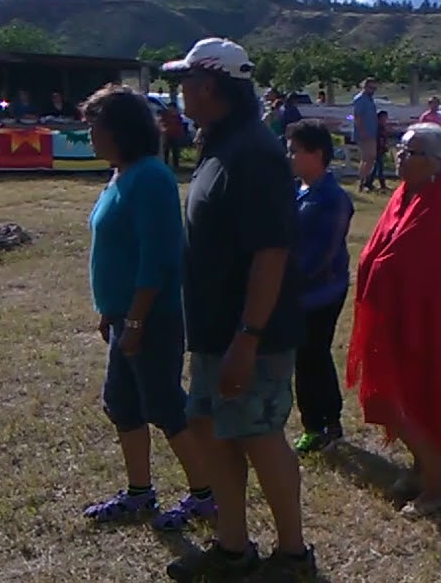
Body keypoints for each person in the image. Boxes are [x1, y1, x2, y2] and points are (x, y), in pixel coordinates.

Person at [160, 38, 316, 580]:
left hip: (251, 333)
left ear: (208, 85)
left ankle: (293, 556)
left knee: (258, 433)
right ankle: (233, 548)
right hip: (214, 328)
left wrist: (248, 338)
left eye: (184, 82)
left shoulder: (254, 153)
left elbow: (271, 252)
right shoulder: (220, 143)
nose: (180, 93)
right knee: (210, 429)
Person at [80, 85, 215, 532]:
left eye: (95, 127)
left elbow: (157, 259)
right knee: (122, 404)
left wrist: (136, 320)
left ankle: (206, 496)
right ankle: (140, 492)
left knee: (165, 405)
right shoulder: (121, 175)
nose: (90, 136)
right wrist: (111, 312)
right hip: (125, 316)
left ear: (120, 130)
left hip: (152, 316)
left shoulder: (151, 178)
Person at [347, 123, 441, 517]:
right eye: (400, 148)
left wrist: (377, 270)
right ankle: (420, 468)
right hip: (399, 315)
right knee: (399, 398)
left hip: (428, 323)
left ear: (434, 163)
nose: (399, 156)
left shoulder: (440, 206)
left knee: (409, 403)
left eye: (410, 152)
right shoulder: (406, 194)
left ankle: (435, 486)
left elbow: (407, 263)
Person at [286, 120, 354, 454]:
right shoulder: (295, 190)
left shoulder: (332, 198)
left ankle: (320, 424)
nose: (290, 157)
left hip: (321, 293)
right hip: (299, 292)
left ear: (317, 154)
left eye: (295, 151)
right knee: (310, 355)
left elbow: (323, 254)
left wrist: (288, 280)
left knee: (310, 355)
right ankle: (325, 420)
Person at [353, 77, 379, 190]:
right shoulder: (360, 99)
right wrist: (362, 132)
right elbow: (357, 117)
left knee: (369, 158)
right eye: (371, 88)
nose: (373, 90)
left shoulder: (370, 99)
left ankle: (364, 180)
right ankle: (362, 181)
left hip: (372, 132)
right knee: (368, 157)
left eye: (374, 88)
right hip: (364, 133)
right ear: (365, 87)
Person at [364, 110, 390, 192]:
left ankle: (369, 183)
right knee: (379, 168)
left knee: (376, 168)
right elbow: (377, 139)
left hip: (380, 150)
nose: (385, 120)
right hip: (376, 149)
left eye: (386, 118)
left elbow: (384, 139)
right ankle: (381, 185)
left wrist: (385, 146)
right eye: (383, 118)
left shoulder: (383, 128)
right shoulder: (376, 128)